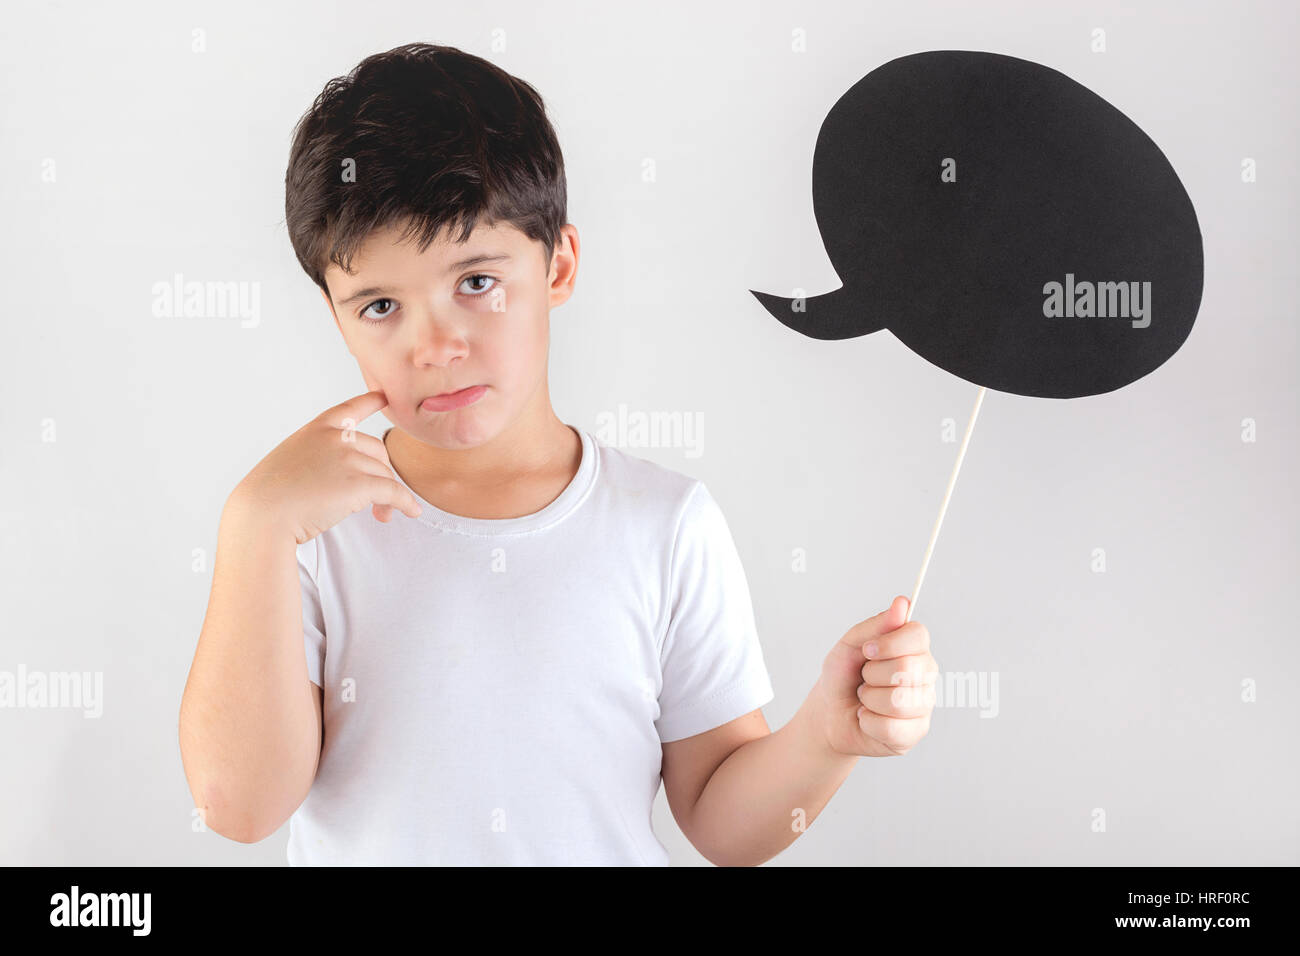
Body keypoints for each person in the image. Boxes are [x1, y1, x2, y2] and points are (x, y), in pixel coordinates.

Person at [177, 42, 937, 866]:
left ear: (559, 265)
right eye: (381, 304)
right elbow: (238, 808)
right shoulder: (310, 531)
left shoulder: (663, 525)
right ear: (335, 315)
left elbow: (723, 824)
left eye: (476, 282)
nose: (436, 344)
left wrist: (828, 733)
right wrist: (252, 526)